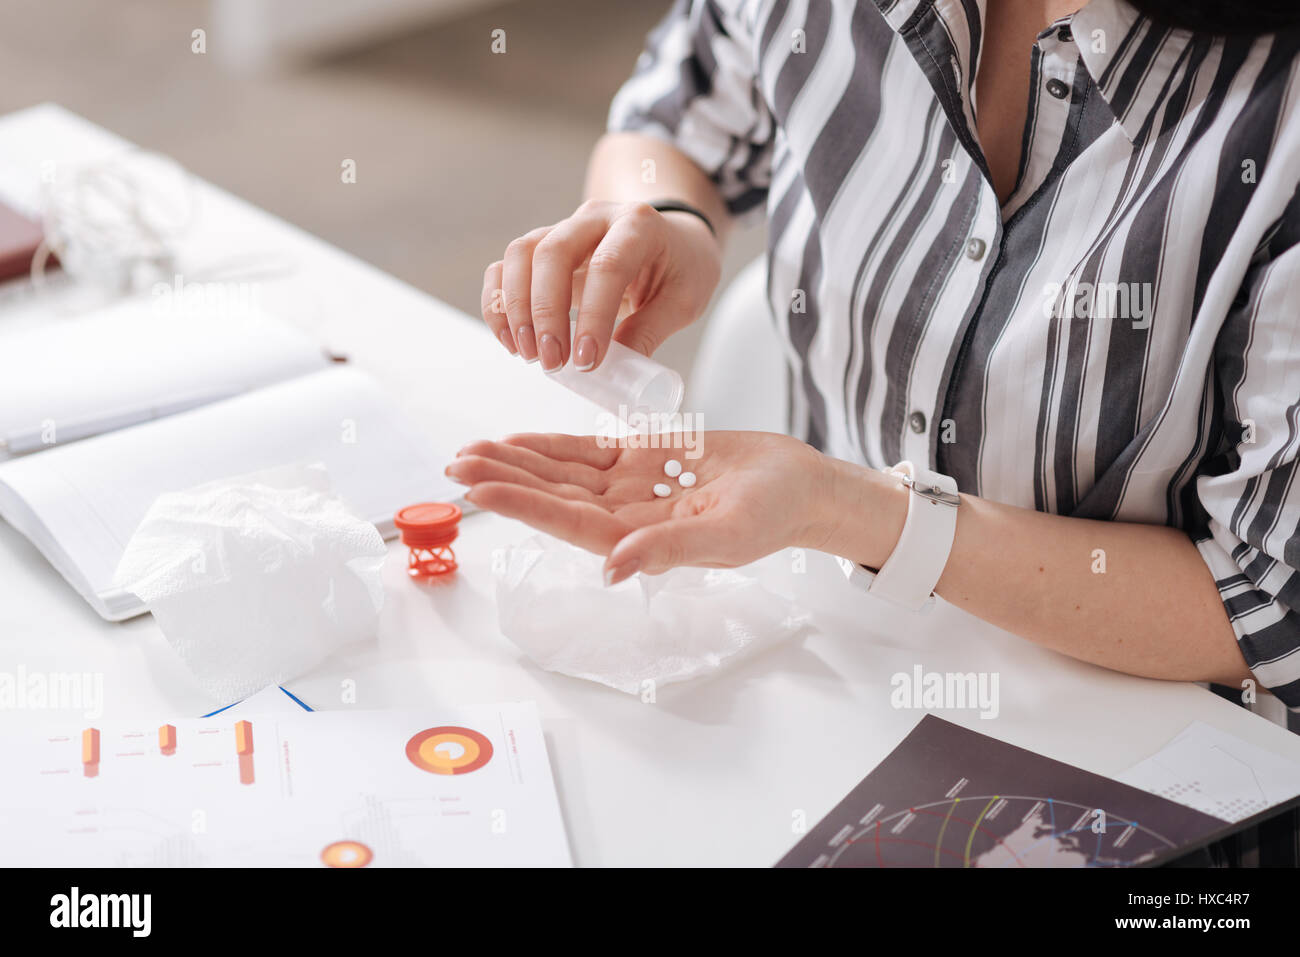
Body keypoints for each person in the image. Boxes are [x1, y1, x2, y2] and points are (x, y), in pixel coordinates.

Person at [449, 0, 1300, 863]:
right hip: (841, 691)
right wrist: (668, 217)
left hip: (1164, 788)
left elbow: (1271, 610)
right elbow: (681, 107)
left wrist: (859, 513)